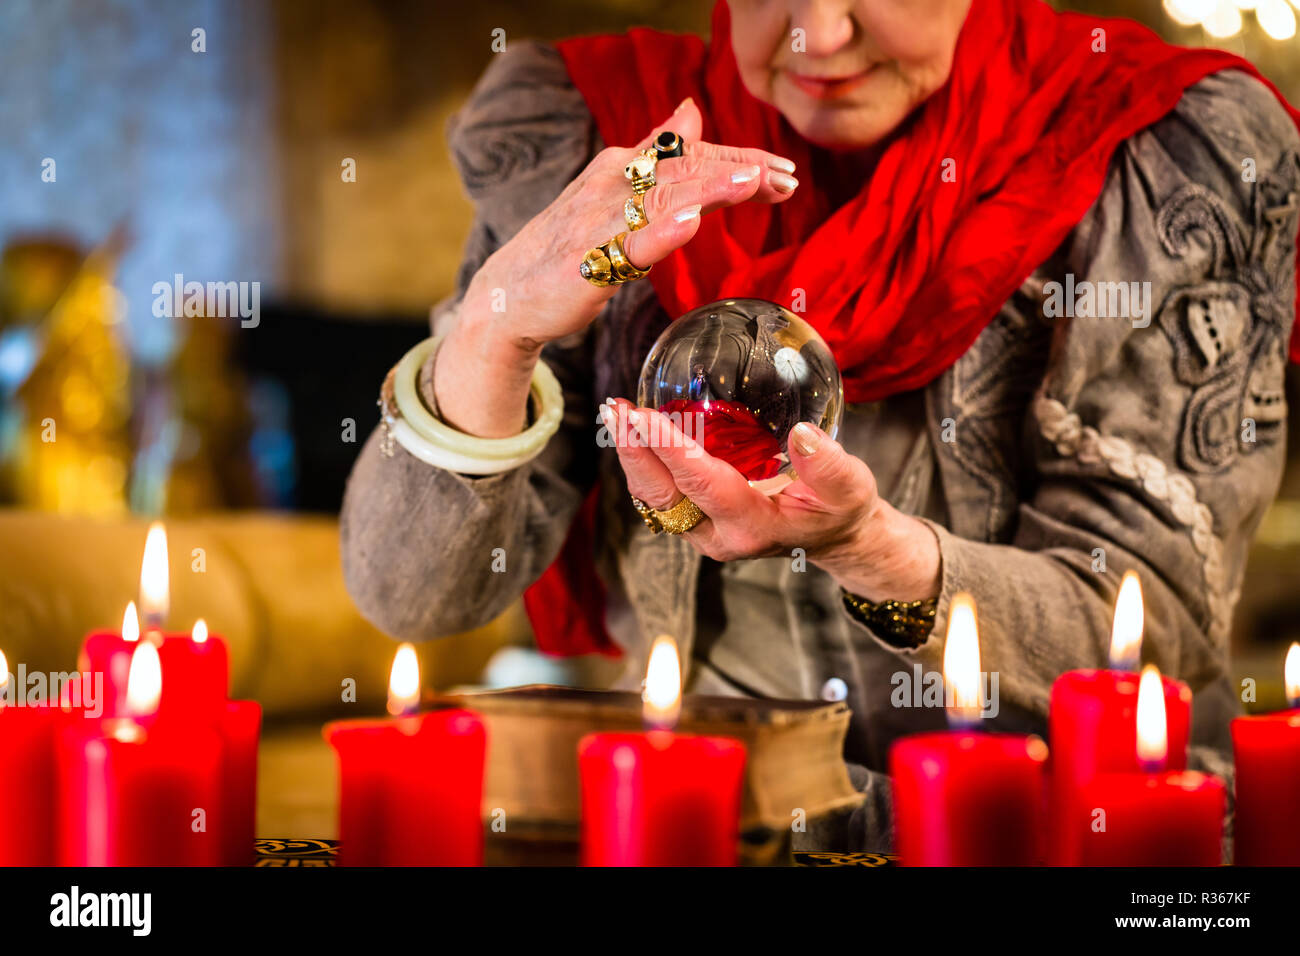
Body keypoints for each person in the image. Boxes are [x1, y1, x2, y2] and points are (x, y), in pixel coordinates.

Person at [341, 0, 1300, 851]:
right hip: (714, 830)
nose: (821, 33)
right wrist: (494, 328)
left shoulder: (1154, 144)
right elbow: (411, 599)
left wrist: (873, 550)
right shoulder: (608, 146)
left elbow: (1153, 640)